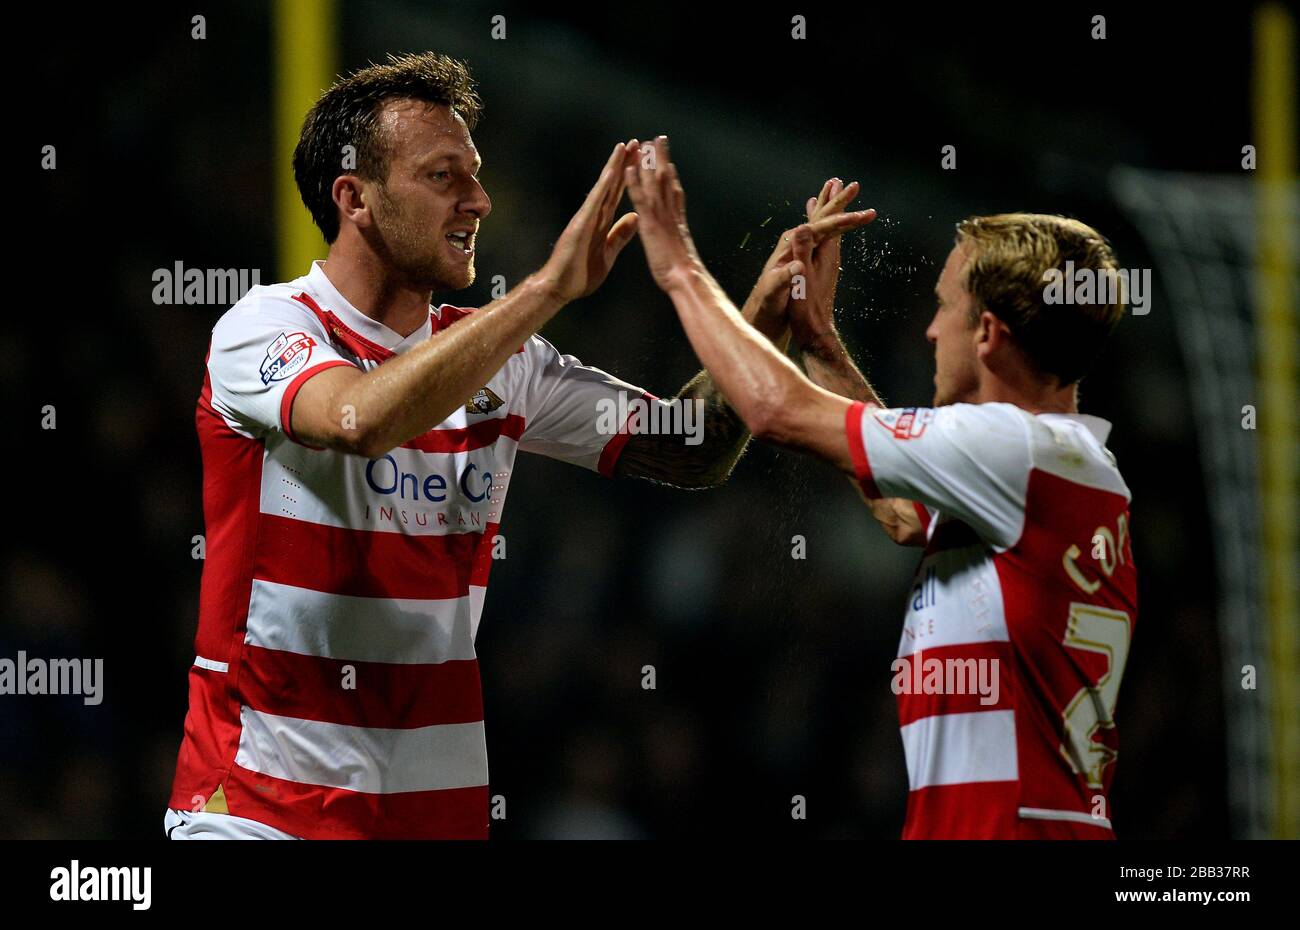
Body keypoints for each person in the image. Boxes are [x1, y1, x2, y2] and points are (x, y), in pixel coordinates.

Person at [164, 54, 857, 840]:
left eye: (478, 173)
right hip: (256, 814)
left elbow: (692, 446)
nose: (479, 199)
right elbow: (356, 420)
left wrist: (759, 317)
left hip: (435, 821)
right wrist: (546, 289)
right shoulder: (265, 327)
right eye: (443, 175)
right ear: (355, 197)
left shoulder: (506, 362)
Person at [626, 136, 1137, 839]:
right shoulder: (1055, 466)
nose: (929, 332)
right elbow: (904, 514)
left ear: (987, 334)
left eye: (942, 308)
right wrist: (819, 340)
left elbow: (776, 411)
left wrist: (676, 263)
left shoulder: (1014, 450)